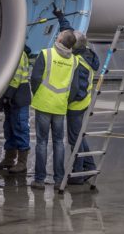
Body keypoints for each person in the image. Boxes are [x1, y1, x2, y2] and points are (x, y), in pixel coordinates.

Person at [30, 29, 80, 190]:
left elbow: (35, 78)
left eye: (60, 34)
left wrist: (39, 94)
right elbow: (75, 86)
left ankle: (39, 180)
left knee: (42, 142)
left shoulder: (46, 54)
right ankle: (59, 180)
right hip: (60, 106)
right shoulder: (74, 60)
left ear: (60, 40)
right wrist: (65, 100)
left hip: (44, 104)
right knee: (59, 143)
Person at [55, 9, 101, 185]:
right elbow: (71, 33)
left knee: (74, 139)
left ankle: (78, 173)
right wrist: (61, 17)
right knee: (79, 136)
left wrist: (67, 101)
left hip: (76, 104)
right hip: (84, 102)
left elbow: (77, 88)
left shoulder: (78, 63)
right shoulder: (86, 51)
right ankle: (89, 165)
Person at [0, 47, 32, 173]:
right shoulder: (10, 51)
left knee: (20, 128)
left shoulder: (17, 52)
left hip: (18, 95)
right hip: (11, 95)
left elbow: (16, 77)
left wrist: (6, 96)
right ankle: (9, 159)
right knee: (9, 129)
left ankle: (22, 163)